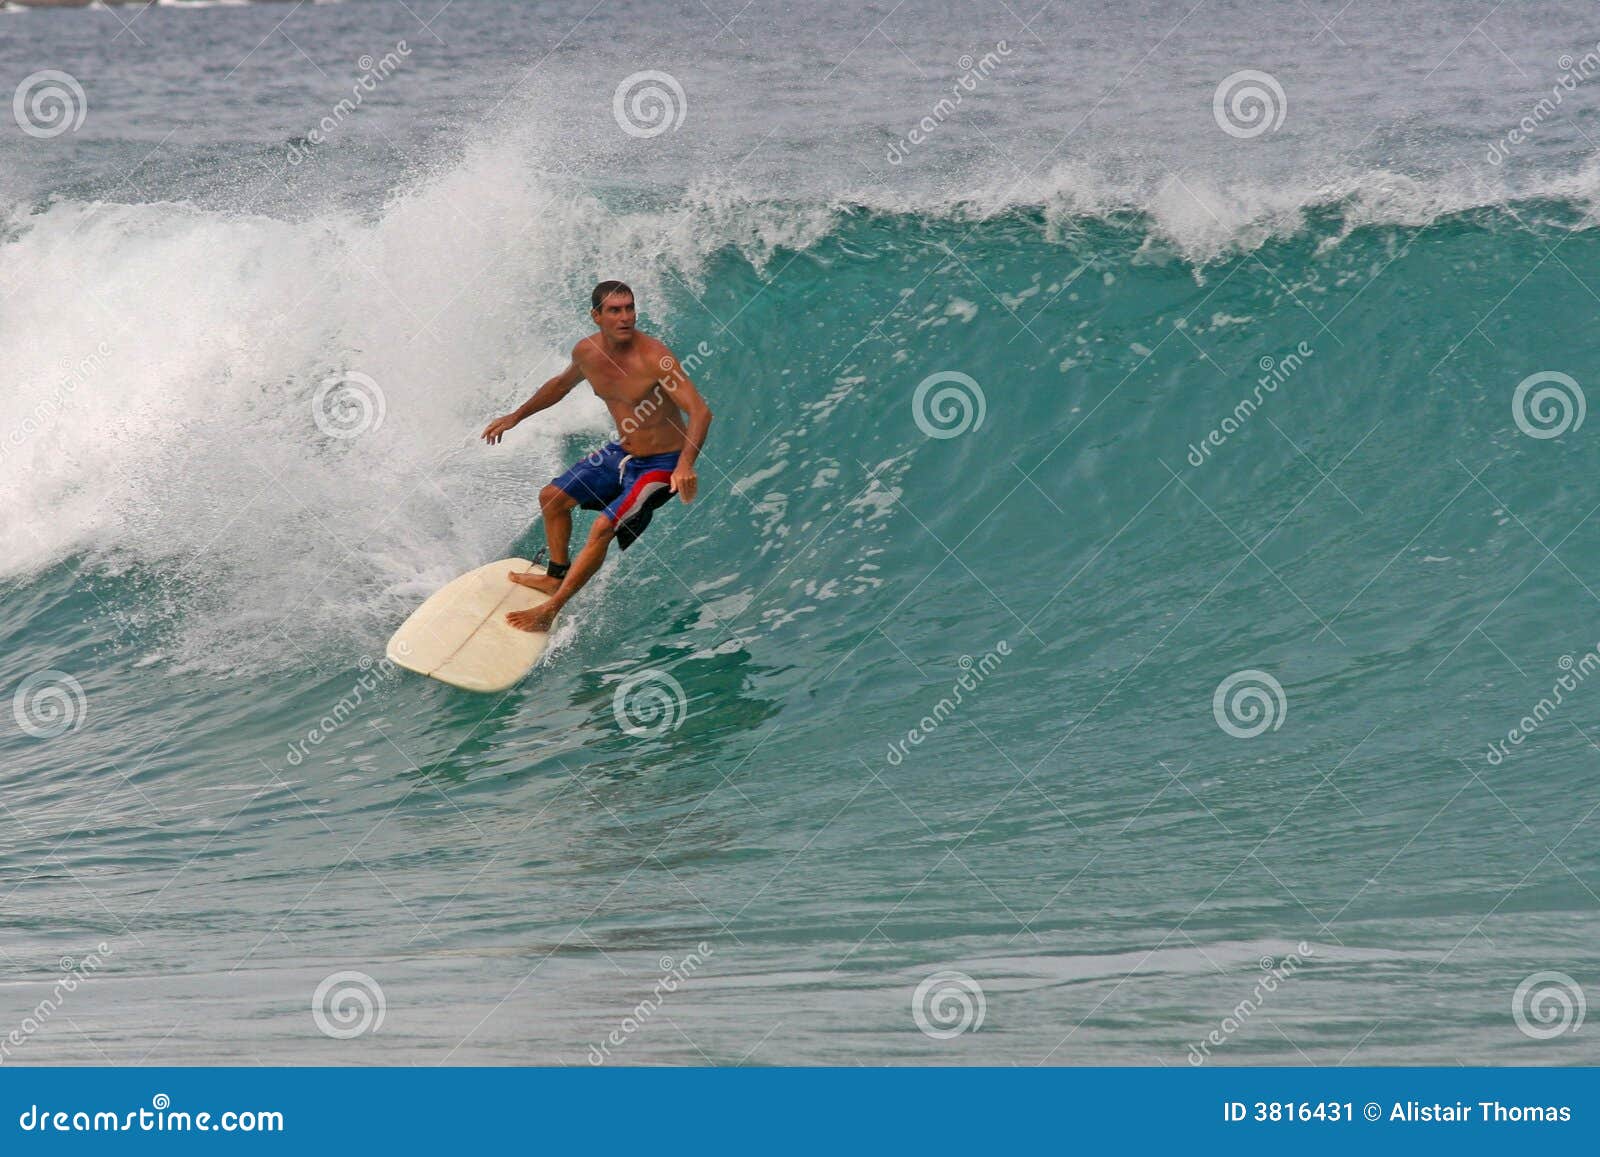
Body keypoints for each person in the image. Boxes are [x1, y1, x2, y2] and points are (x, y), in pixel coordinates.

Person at [480, 280, 713, 633]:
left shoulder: (655, 358)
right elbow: (559, 386)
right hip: (623, 453)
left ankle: (550, 611)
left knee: (603, 526)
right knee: (552, 498)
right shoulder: (586, 353)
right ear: (596, 316)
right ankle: (555, 575)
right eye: (615, 310)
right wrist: (515, 416)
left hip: (662, 464)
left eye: (630, 308)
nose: (625, 317)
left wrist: (684, 465)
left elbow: (700, 412)